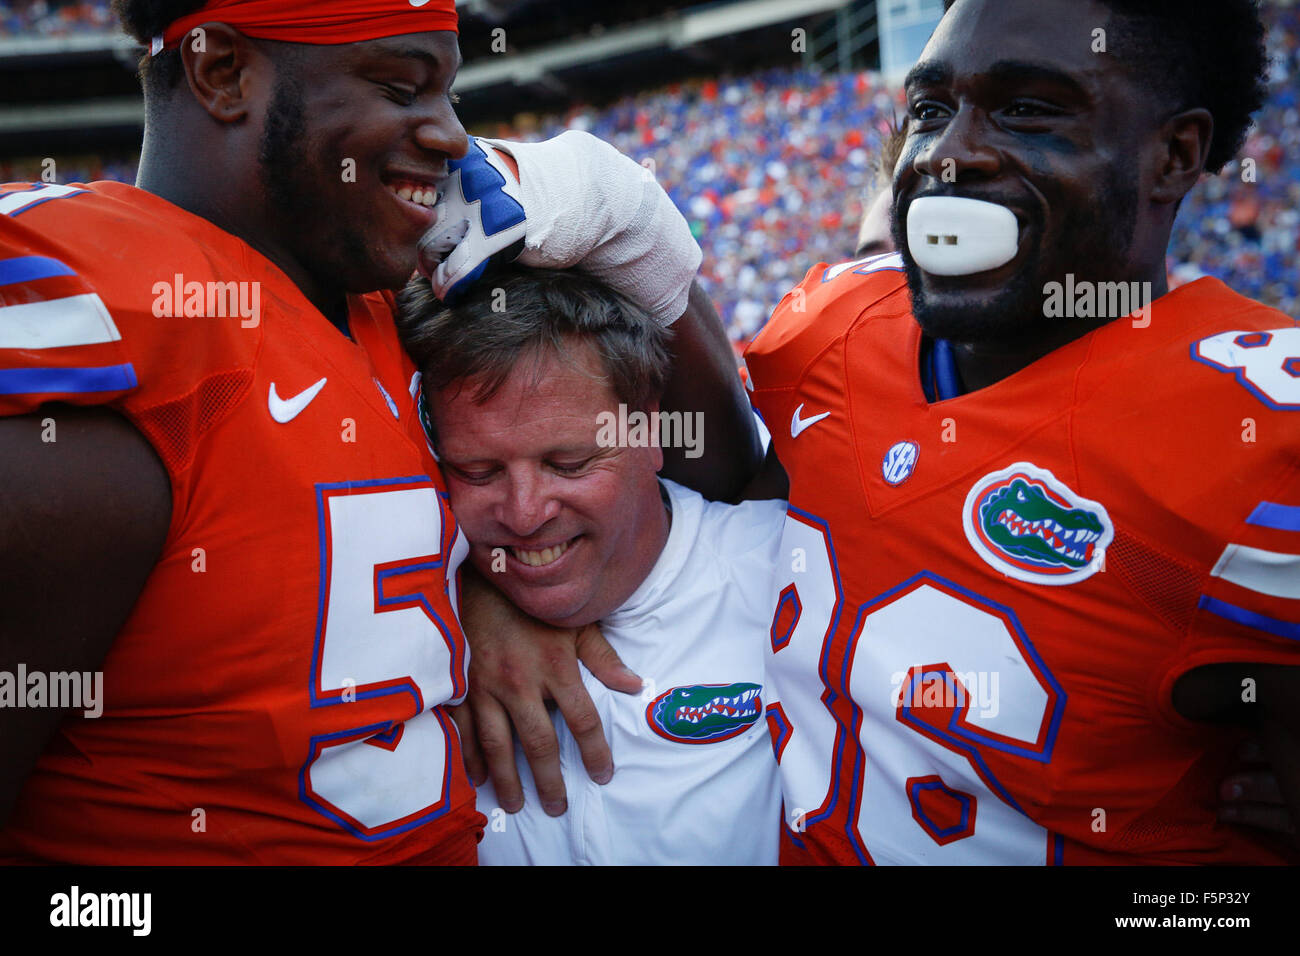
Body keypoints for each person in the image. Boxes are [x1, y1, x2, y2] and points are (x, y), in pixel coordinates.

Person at [431, 0, 1300, 864]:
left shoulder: (1262, 439)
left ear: (1175, 153)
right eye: (929, 109)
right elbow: (696, 496)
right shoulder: (836, 323)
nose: (950, 153)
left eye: (1028, 108)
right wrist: (491, 591)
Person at [0, 0, 758, 864]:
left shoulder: (386, 303)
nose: (451, 136)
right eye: (402, 87)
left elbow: (724, 474)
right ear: (220, 71)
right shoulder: (99, 333)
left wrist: (478, 590)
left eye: (449, 94)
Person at [396, 267, 783, 864]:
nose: (525, 515)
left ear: (652, 427)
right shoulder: (403, 604)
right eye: (477, 471)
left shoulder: (790, 575)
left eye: (570, 462)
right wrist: (466, 600)